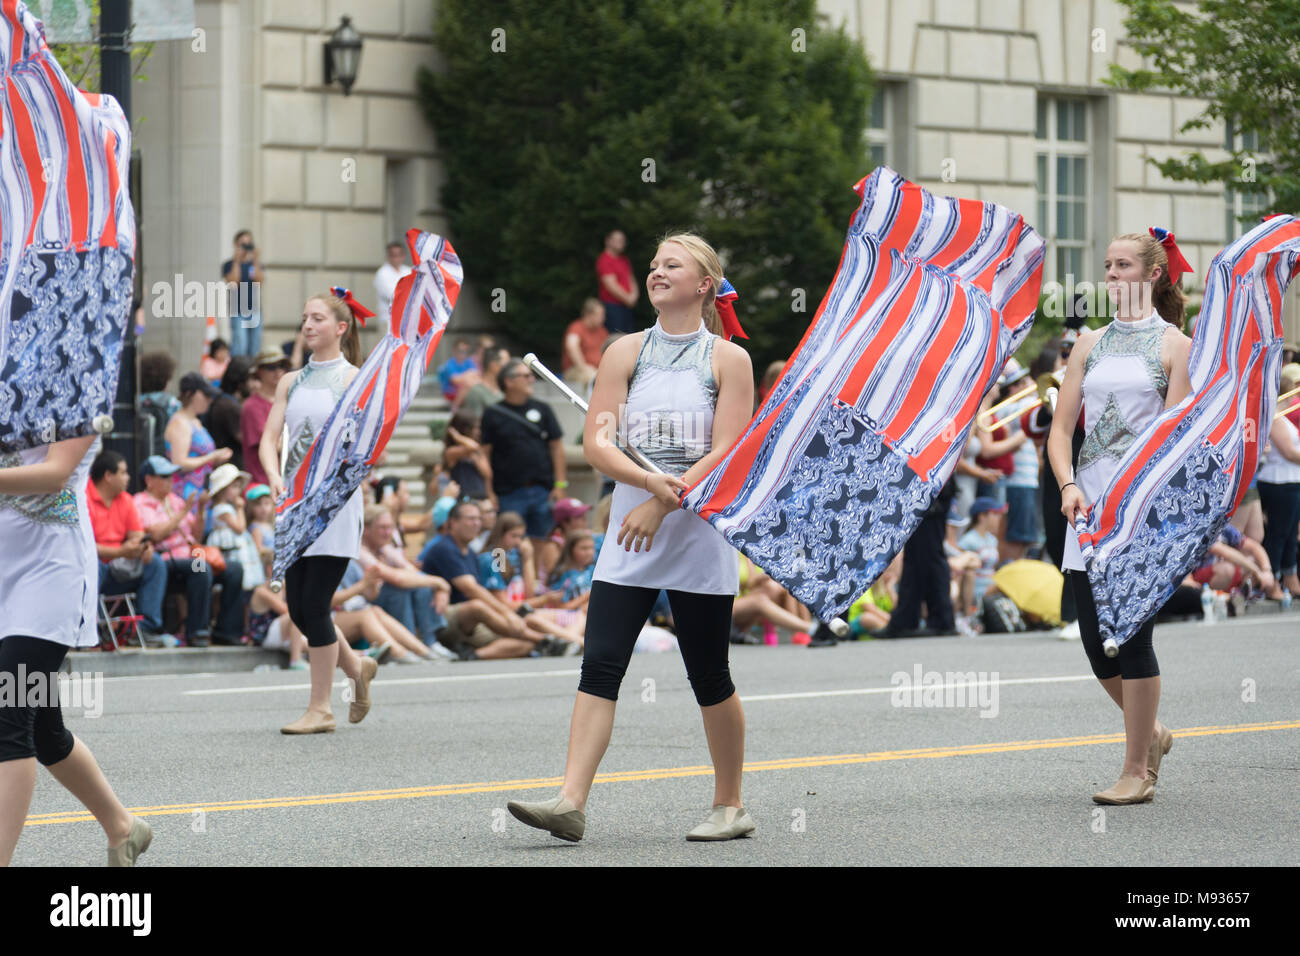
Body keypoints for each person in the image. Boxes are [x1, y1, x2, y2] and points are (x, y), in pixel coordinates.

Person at [507, 231, 756, 843]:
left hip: (699, 533)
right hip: (630, 533)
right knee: (601, 662)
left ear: (703, 285)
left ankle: (730, 805)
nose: (655, 271)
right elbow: (597, 443)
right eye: (652, 265)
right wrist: (646, 484)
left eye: (671, 264)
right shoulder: (624, 351)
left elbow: (731, 449)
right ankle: (570, 801)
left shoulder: (729, 359)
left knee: (709, 672)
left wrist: (667, 503)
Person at [1048, 229, 1193, 805]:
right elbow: (1061, 432)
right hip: (1085, 509)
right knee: (1093, 642)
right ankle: (1151, 731)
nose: (1110, 275)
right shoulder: (1088, 342)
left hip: (1142, 514)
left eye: (1123, 265)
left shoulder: (1176, 346)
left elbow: (1176, 438)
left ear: (1152, 275)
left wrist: (1143, 499)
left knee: (1130, 638)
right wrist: (1067, 484)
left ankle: (1138, 769)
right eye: (1107, 265)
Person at [1, 435, 152, 867]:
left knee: (9, 716)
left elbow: (55, 472)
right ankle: (122, 825)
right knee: (45, 733)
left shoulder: (80, 373)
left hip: (48, 572)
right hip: (4, 564)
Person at [259, 290, 378, 734]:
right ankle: (358, 667)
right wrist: (274, 475)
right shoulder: (290, 381)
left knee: (313, 604)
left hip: (334, 507)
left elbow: (365, 447)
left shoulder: (356, 381)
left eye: (318, 318)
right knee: (300, 609)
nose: (308, 325)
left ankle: (321, 708)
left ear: (341, 328)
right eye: (304, 317)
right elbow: (270, 438)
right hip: (293, 506)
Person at [420, 501, 568, 658]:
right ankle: (556, 641)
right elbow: (500, 597)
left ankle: (472, 654)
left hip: (494, 612)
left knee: (529, 632)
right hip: (468, 613)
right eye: (514, 536)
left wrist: (528, 560)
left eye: (522, 536)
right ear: (501, 535)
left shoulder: (506, 555)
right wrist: (540, 600)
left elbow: (527, 594)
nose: (519, 542)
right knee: (531, 621)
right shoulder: (498, 555)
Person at [134, 456, 245, 646]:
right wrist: (185, 511)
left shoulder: (175, 500)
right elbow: (156, 534)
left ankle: (227, 631)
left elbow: (197, 535)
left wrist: (200, 508)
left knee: (234, 569)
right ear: (149, 480)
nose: (170, 481)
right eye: (165, 476)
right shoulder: (140, 502)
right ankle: (197, 631)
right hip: (165, 558)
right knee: (201, 567)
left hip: (191, 553)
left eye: (171, 477)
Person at [86, 450, 174, 646]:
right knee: (91, 564)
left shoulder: (126, 499)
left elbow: (137, 535)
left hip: (124, 565)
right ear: (108, 476)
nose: (128, 477)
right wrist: (122, 551)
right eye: (123, 472)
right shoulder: (84, 498)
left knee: (159, 564)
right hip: (97, 565)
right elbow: (85, 547)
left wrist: (144, 546)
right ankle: (96, 629)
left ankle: (147, 628)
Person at [480, 359, 566, 546]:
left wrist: (560, 485)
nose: (531, 379)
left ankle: (536, 576)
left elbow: (556, 447)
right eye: (525, 375)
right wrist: (489, 491)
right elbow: (484, 454)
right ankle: (501, 574)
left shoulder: (543, 409)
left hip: (542, 490)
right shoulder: (493, 414)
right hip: (508, 491)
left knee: (543, 540)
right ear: (509, 382)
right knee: (505, 541)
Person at [1256, 364, 1300, 599]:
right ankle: (1271, 582)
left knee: (1290, 534)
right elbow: (1288, 452)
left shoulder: (1282, 417)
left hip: (1290, 481)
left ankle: (1289, 579)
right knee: (1278, 534)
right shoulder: (1275, 417)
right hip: (1278, 483)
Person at [165, 372, 233, 502]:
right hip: (186, 495)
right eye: (206, 395)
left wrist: (216, 458)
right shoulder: (180, 423)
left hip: (201, 492)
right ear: (189, 394)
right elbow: (179, 463)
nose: (209, 400)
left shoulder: (194, 421)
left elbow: (197, 458)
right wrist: (212, 456)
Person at [242, 348, 290, 486]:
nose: (278, 371)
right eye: (271, 367)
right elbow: (271, 443)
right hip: (263, 486)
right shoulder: (251, 406)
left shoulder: (290, 400)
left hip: (287, 481)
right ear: (259, 372)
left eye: (282, 366)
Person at [203, 356, 252, 471]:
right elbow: (247, 439)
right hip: (230, 469)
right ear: (241, 382)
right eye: (252, 379)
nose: (254, 384)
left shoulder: (222, 400)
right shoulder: (229, 407)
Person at [221, 229, 264, 357]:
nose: (246, 247)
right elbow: (233, 282)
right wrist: (237, 260)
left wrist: (256, 259)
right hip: (238, 310)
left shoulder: (255, 264)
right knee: (240, 345)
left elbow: (259, 280)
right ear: (235, 245)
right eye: (242, 244)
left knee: (254, 347)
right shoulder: (229, 264)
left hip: (254, 309)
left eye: (248, 244)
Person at [595, 229, 639, 333]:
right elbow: (611, 285)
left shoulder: (624, 260)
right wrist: (628, 299)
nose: (621, 243)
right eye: (618, 240)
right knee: (616, 338)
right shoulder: (605, 260)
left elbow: (631, 279)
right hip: (612, 307)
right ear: (608, 241)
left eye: (623, 240)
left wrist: (634, 296)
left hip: (627, 306)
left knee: (628, 336)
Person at [562, 298, 609, 391]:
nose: (603, 318)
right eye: (600, 314)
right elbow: (571, 346)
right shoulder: (576, 327)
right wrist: (583, 367)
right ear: (589, 315)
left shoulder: (602, 331)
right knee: (594, 376)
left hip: (598, 370)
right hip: (576, 370)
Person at [456, 346, 507, 418]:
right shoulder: (476, 391)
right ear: (493, 365)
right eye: (506, 364)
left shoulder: (506, 389)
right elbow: (474, 424)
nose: (509, 368)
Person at [373, 241, 412, 326]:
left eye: (399, 255)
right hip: (388, 319)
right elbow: (391, 295)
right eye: (394, 255)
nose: (397, 258)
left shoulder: (409, 271)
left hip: (407, 319)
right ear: (388, 256)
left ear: (403, 256)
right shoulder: (382, 273)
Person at [437, 337, 480, 403]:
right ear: (454, 350)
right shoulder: (450, 363)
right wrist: (469, 374)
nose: (463, 353)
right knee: (468, 386)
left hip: (466, 391)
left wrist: (463, 377)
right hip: (451, 393)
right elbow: (455, 380)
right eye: (461, 350)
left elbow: (477, 378)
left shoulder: (469, 362)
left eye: (466, 351)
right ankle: (455, 408)